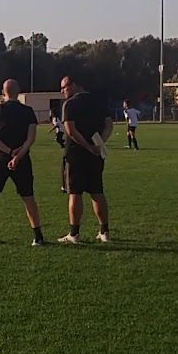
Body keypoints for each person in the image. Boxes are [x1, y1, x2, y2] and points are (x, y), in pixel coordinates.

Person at [0, 79, 45, 246]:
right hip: (22, 160)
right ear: (18, 91)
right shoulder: (28, 111)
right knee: (28, 198)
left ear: (3, 91)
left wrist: (8, 152)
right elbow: (31, 139)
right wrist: (18, 155)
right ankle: (38, 236)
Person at [58, 75, 113, 244]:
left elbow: (71, 130)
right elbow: (109, 125)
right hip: (96, 155)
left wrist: (87, 147)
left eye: (64, 87)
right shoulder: (99, 101)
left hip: (75, 154)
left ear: (74, 85)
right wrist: (98, 144)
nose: (62, 91)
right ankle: (104, 232)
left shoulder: (70, 104)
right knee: (97, 192)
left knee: (75, 193)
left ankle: (74, 234)